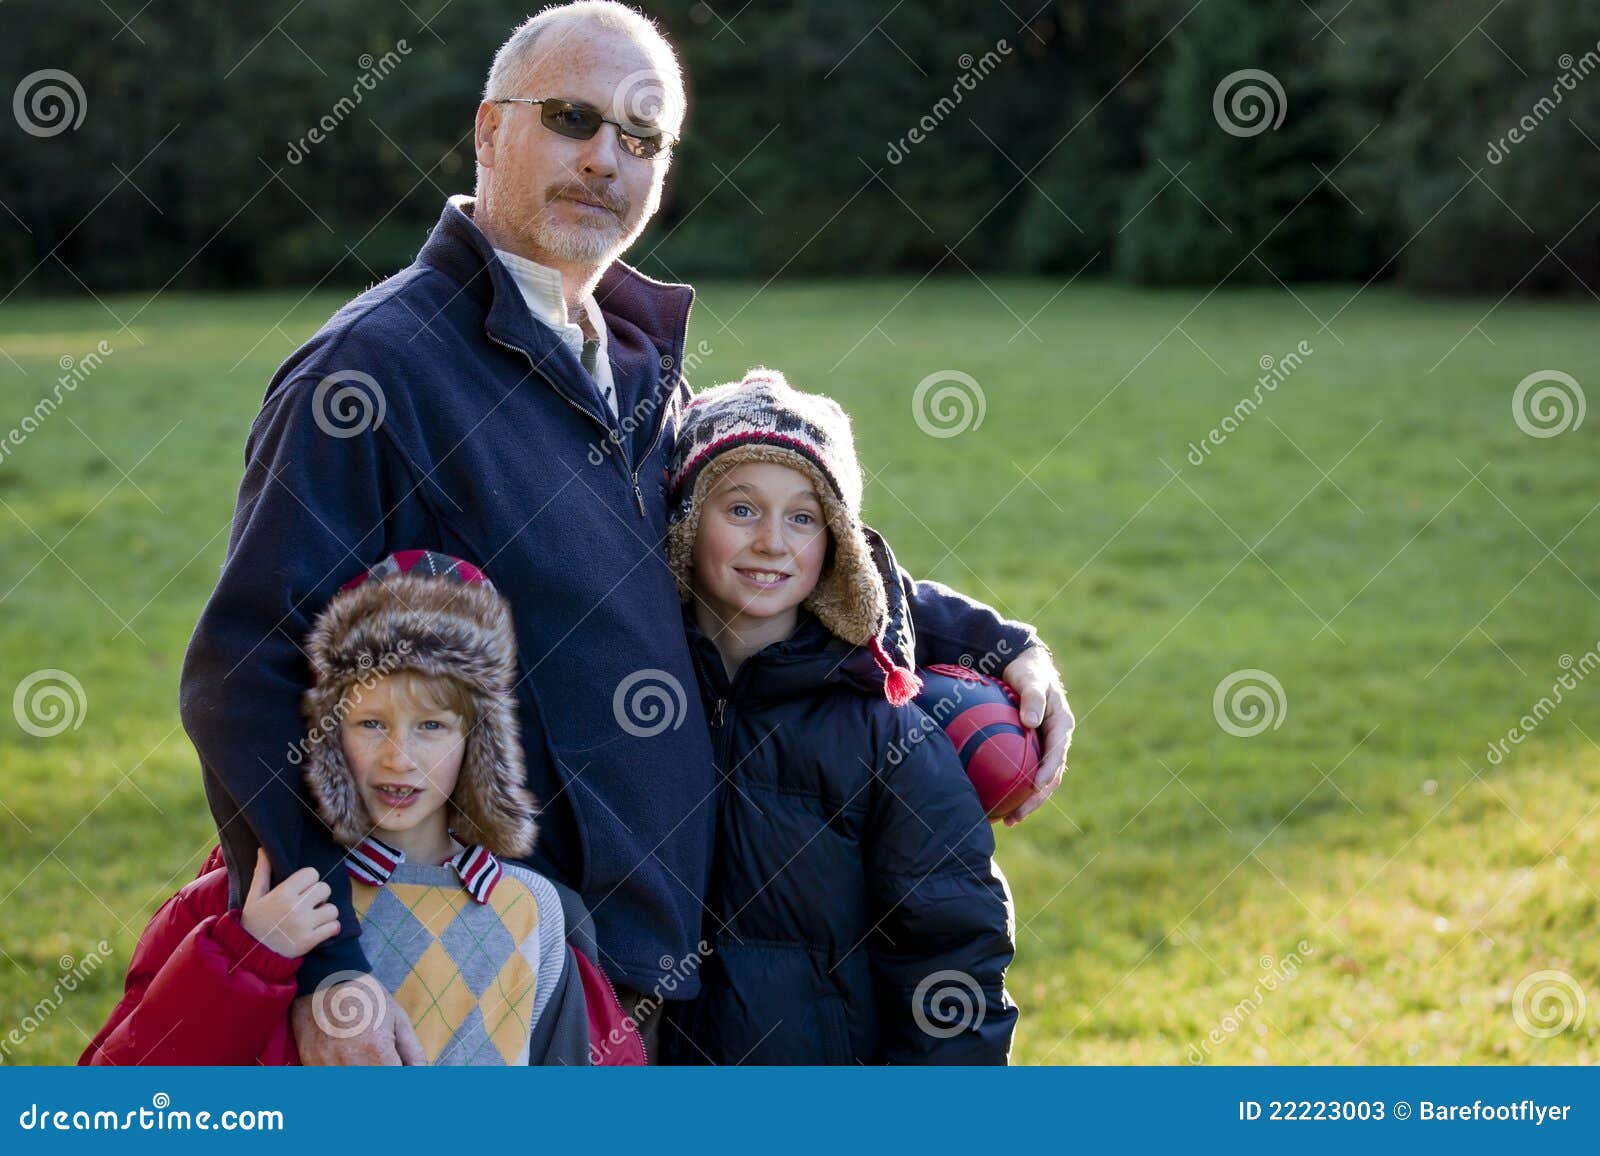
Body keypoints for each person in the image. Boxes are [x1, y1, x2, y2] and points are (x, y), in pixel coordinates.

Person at [179, 0, 1071, 1065]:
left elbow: (755, 551)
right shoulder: (371, 372)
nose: (606, 159)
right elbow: (246, 675)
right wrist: (330, 970)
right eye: (573, 119)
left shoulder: (638, 363)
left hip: (661, 977)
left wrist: (992, 642)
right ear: (488, 130)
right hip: (475, 967)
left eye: (643, 139)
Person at [85, 551, 640, 1066]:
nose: (399, 758)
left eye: (431, 726)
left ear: (480, 740)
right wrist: (251, 957)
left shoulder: (533, 910)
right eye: (371, 723)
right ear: (327, 733)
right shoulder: (259, 898)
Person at [662, 370, 1016, 1064]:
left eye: (803, 517)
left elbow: (950, 952)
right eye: (741, 509)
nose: (772, 542)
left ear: (837, 545)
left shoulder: (887, 733)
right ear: (686, 521)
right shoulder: (635, 698)